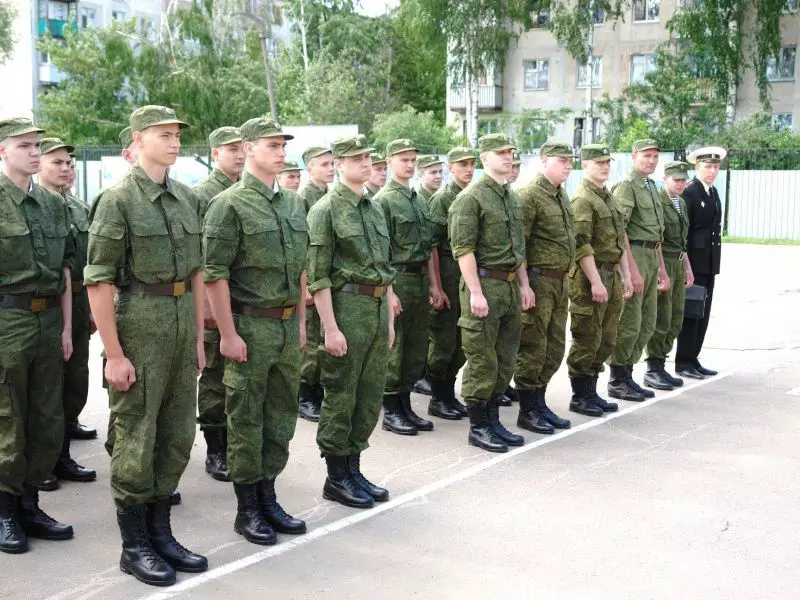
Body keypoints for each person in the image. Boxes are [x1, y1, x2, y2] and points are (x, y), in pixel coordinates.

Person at [86, 105, 207, 586]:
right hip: (139, 322)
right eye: (164, 134)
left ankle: (161, 534)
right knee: (136, 437)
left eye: (178, 133)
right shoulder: (117, 200)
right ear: (137, 141)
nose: (175, 141)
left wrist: (200, 338)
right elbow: (97, 281)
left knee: (176, 435)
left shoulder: (184, 197)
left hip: (180, 325)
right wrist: (115, 354)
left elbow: (197, 274)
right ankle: (134, 546)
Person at [204, 117, 308, 545]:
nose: (281, 150)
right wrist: (228, 334)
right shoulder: (228, 204)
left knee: (281, 418)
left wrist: (301, 321)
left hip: (285, 329)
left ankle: (268, 496)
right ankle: (247, 508)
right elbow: (214, 274)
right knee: (246, 420)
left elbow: (301, 270)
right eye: (272, 144)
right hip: (249, 326)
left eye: (283, 144)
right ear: (247, 149)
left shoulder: (292, 204)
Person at [306, 134, 396, 509]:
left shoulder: (373, 208)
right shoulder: (325, 211)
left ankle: (354, 468)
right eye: (355, 158)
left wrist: (389, 320)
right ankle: (336, 476)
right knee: (342, 394)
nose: (365, 163)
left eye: (367, 157)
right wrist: (329, 328)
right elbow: (318, 276)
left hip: (375, 310)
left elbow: (384, 271)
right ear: (339, 164)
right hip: (346, 309)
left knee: (368, 394)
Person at [0, 118, 75, 555]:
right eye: (24, 145)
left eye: (36, 145)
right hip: (7, 321)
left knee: (47, 418)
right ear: (2, 151)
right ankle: (6, 510)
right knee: (9, 418)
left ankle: (30, 503)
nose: (34, 152)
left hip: (48, 321)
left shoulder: (52, 205)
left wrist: (66, 327)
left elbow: (65, 271)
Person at [448, 133, 535, 453]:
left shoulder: (510, 197)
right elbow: (464, 250)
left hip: (510, 286)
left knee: (506, 358)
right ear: (484, 158)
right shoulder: (470, 198)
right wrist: (475, 292)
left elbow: (519, 249)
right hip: (484, 285)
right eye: (500, 153)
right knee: (482, 359)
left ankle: (494, 419)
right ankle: (479, 426)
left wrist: (524, 285)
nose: (508, 157)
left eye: (510, 152)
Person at [37, 138, 97, 487]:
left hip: (76, 301)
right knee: (46, 390)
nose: (66, 169)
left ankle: (62, 455)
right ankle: (41, 464)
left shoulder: (77, 208)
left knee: (74, 381)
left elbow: (89, 263)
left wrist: (88, 309)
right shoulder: (36, 206)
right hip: (45, 304)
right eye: (57, 162)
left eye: (69, 163)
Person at [375, 140, 444, 436]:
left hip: (418, 278)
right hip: (398, 278)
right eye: (403, 159)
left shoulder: (418, 200)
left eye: (413, 159)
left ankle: (405, 405)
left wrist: (434, 285)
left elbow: (428, 248)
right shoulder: (383, 201)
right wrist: (390, 293)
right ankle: (391, 410)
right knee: (397, 347)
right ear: (390, 162)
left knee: (416, 348)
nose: (409, 164)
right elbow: (380, 253)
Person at [513, 141, 576, 434]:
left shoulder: (560, 195)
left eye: (570, 160)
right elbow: (519, 246)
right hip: (538, 279)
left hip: (560, 280)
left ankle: (539, 402)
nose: (568, 165)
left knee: (553, 346)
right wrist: (524, 284)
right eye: (562, 160)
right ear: (545, 161)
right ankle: (527, 408)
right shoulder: (529, 196)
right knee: (533, 344)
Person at [193, 126, 245, 482]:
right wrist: (208, 307)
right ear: (215, 153)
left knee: (240, 377)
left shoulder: (248, 191)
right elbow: (202, 256)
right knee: (214, 376)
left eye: (242, 148)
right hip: (215, 297)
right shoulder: (203, 195)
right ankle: (216, 448)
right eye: (230, 149)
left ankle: (237, 443)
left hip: (245, 298)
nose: (239, 154)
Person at [566, 144, 633, 417]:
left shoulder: (609, 197)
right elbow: (582, 245)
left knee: (606, 337)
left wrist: (626, 275)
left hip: (611, 273)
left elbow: (620, 240)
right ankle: (580, 395)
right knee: (587, 336)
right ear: (585, 165)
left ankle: (592, 391)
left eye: (607, 162)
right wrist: (595, 281)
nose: (604, 166)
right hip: (590, 276)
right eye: (598, 162)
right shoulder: (582, 199)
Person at [608, 139, 669, 401]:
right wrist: (630, 271)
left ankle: (629, 373)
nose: (652, 161)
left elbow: (656, 234)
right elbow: (620, 232)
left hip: (652, 255)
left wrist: (663, 270)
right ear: (634, 157)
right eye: (646, 156)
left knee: (647, 321)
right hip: (635, 254)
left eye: (655, 156)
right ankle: (617, 378)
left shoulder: (651, 187)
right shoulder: (627, 186)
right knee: (630, 321)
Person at [425, 147, 476, 421]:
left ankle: (448, 392)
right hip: (446, 273)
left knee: (461, 341)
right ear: (450, 167)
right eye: (462, 164)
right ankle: (438, 396)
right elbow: (432, 245)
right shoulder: (442, 199)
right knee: (444, 340)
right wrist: (436, 286)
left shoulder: (472, 195)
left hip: (465, 278)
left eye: (471, 163)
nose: (468, 169)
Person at [675, 146, 726, 379]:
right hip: (694, 264)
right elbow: (683, 232)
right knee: (691, 312)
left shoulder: (712, 192)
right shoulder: (691, 192)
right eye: (707, 166)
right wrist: (686, 266)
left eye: (715, 167)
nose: (712, 170)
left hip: (709, 262)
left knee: (703, 312)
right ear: (697, 167)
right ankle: (683, 361)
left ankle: (693, 358)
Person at [644, 161, 694, 389]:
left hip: (678, 261)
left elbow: (683, 242)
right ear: (665, 179)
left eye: (684, 180)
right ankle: (653, 368)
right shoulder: (659, 202)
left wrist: (688, 268)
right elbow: (659, 241)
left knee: (676, 318)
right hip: (663, 261)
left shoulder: (681, 204)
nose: (681, 184)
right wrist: (662, 271)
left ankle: (662, 364)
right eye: (676, 180)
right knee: (662, 318)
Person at [298, 146, 335, 422]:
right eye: (324, 164)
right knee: (311, 340)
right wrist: (307, 284)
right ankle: (306, 395)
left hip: (326, 278)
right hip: (311, 280)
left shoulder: (328, 195)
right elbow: (302, 245)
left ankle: (316, 392)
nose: (331, 168)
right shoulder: (304, 197)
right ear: (310, 168)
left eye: (332, 164)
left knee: (322, 338)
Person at [411, 154, 444, 397]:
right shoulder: (420, 199)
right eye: (432, 172)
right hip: (413, 274)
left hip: (431, 272)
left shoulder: (432, 200)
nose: (438, 176)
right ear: (420, 174)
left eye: (440, 172)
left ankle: (423, 372)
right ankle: (420, 374)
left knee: (426, 330)